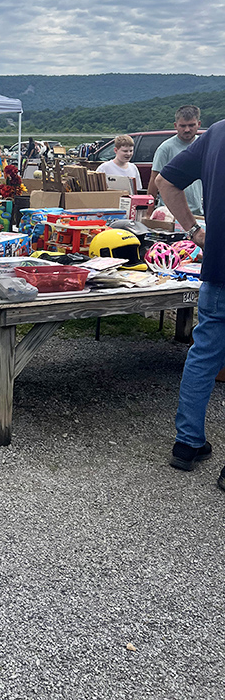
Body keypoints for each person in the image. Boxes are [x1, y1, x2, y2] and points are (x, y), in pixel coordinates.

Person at [157, 119, 225, 488]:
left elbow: (166, 183)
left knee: (203, 355)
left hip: (218, 264)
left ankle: (187, 444)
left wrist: (193, 231)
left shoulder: (216, 132)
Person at [148, 105, 203, 215]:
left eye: (191, 125)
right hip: (170, 213)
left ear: (199, 124)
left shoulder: (203, 146)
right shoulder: (165, 149)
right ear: (175, 126)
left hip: (198, 213)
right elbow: (154, 180)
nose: (187, 130)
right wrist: (149, 213)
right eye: (183, 126)